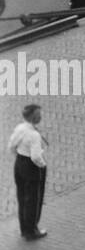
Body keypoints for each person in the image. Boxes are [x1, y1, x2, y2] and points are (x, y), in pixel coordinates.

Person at [9, 103, 47, 241]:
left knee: (22, 196)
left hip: (19, 163)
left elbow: (11, 145)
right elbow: (36, 156)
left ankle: (24, 228)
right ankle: (31, 230)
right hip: (31, 167)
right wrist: (42, 165)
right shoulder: (34, 135)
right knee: (33, 199)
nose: (40, 117)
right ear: (34, 117)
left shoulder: (20, 128)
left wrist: (19, 157)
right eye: (39, 115)